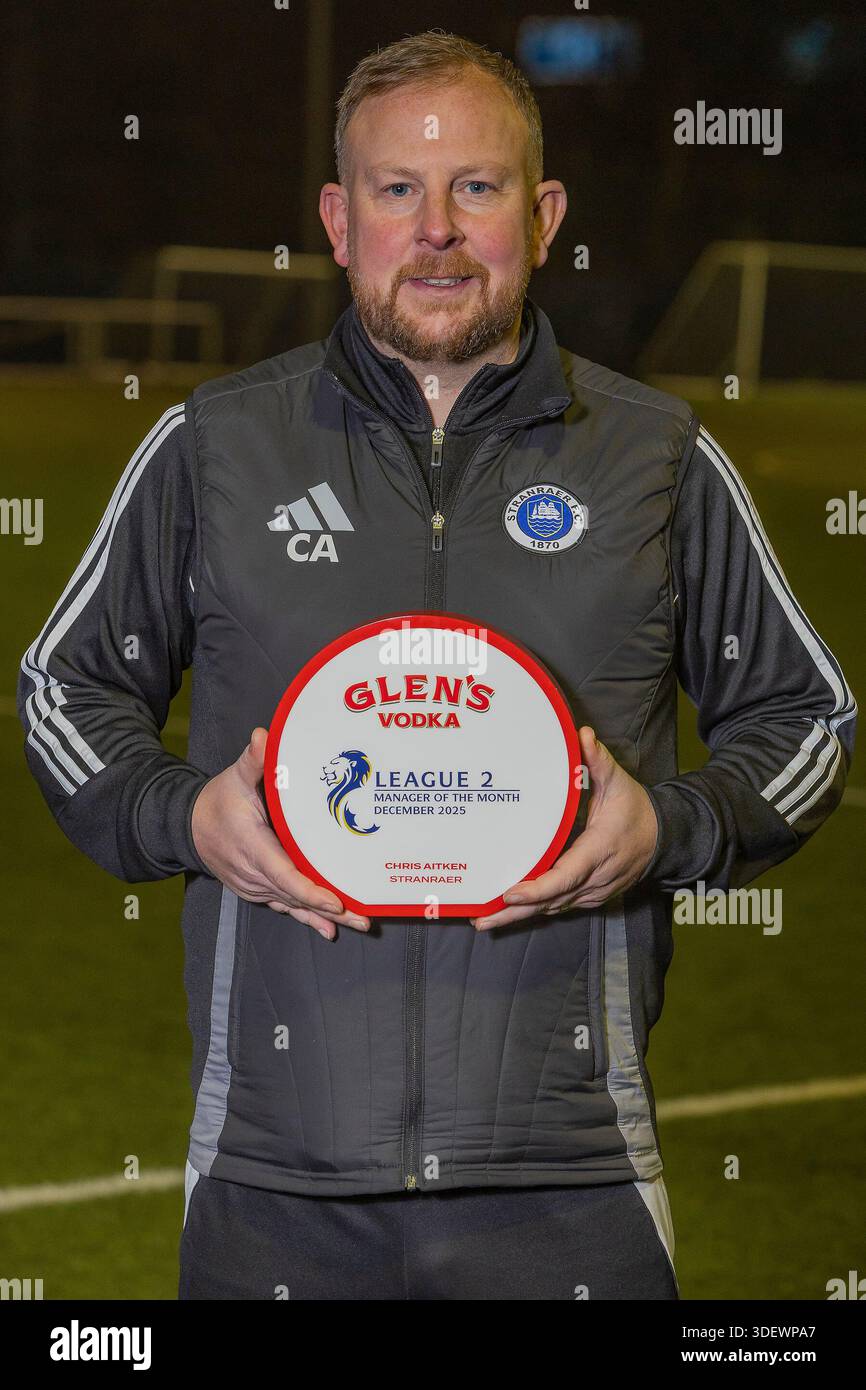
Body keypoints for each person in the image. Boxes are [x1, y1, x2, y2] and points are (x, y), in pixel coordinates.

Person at [18, 30, 856, 1301]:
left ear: (543, 211)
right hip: (272, 1180)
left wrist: (671, 824)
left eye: (477, 186)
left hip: (570, 1179)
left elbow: (806, 715)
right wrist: (184, 812)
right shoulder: (214, 447)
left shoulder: (655, 457)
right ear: (337, 220)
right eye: (395, 190)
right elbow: (61, 691)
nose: (437, 231)